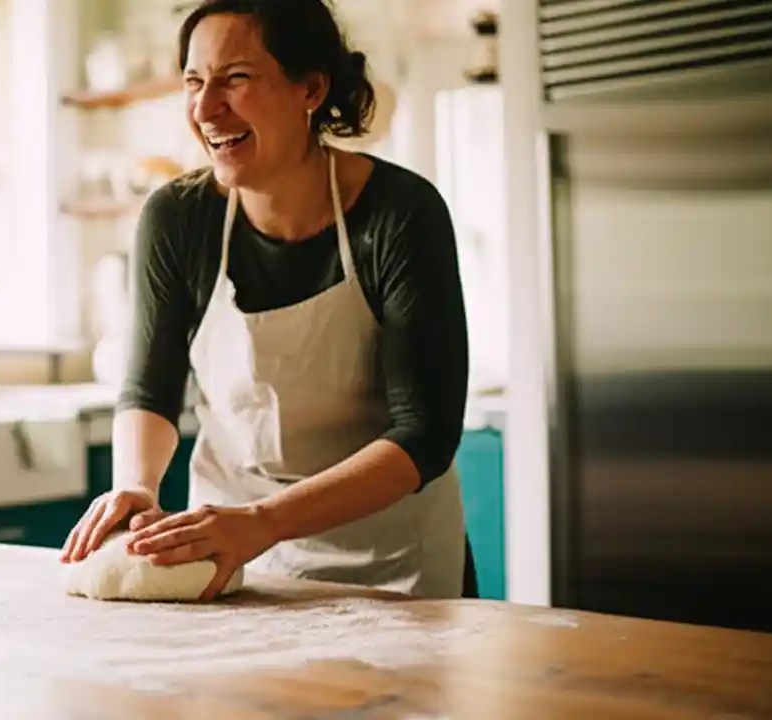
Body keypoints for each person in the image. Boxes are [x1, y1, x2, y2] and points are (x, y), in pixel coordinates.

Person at [61, 0, 474, 601]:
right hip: (231, 557)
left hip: (394, 561)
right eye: (194, 82)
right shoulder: (177, 219)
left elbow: (426, 434)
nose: (205, 109)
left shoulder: (401, 215)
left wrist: (262, 522)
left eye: (236, 78)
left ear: (310, 88)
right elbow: (151, 389)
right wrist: (138, 486)